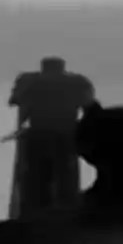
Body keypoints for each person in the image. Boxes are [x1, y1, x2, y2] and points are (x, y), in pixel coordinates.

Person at [6, 57, 94, 216]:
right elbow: (89, 106)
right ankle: (62, 214)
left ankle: (34, 215)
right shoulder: (77, 82)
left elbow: (17, 102)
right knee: (64, 182)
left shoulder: (29, 81)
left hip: (40, 138)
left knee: (36, 183)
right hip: (64, 138)